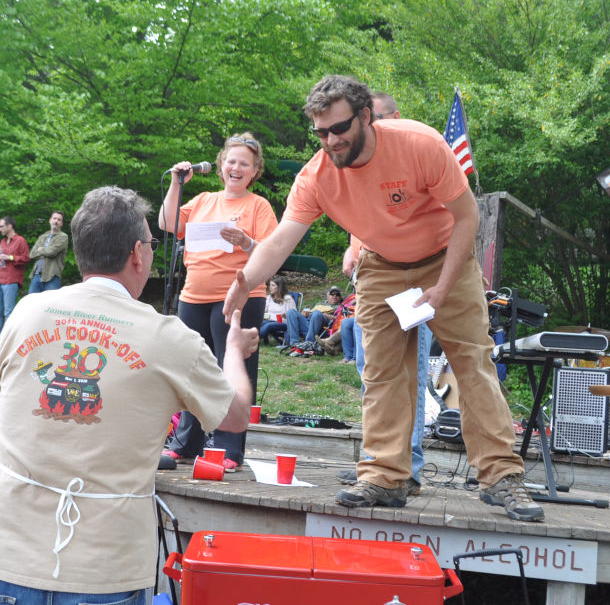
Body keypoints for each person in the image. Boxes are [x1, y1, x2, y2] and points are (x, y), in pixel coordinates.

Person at [0, 186, 257, 605]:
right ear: (137, 253)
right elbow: (235, 418)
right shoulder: (169, 337)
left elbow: (2, 404)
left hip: (4, 559)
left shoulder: (26, 312)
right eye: (151, 244)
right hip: (107, 575)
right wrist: (233, 352)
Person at [224, 75, 542, 522]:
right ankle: (386, 476)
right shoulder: (316, 176)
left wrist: (443, 287)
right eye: (320, 132)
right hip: (380, 265)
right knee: (381, 370)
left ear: (365, 116)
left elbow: (467, 216)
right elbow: (279, 242)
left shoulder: (420, 144)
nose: (330, 141)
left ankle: (501, 476)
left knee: (472, 363)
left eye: (339, 129)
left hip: (445, 256)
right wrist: (244, 281)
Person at [159, 133, 279, 471]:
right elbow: (168, 223)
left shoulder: (258, 206)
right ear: (221, 164)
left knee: (232, 368)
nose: (236, 168)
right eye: (231, 161)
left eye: (244, 164)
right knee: (191, 367)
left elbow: (272, 252)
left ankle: (229, 449)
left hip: (240, 296)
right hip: (194, 295)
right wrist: (176, 183)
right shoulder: (202, 200)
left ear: (255, 171)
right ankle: (187, 442)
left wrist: (246, 241)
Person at [0, 216, 29, 344]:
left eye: (1, 226)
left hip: (11, 279)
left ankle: (8, 338)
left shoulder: (20, 240)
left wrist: (10, 257)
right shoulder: (2, 241)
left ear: (10, 226)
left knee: (9, 311)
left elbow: (25, 258)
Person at [28, 211, 69, 293]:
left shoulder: (63, 237)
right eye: (54, 218)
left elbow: (52, 252)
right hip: (36, 275)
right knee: (31, 301)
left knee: (50, 302)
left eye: (59, 220)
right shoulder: (43, 237)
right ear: (50, 220)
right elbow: (32, 254)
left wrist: (41, 249)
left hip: (52, 276)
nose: (56, 221)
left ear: (61, 223)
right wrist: (46, 250)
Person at [260, 277, 295, 344]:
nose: (270, 287)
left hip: (283, 322)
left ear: (279, 287)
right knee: (259, 324)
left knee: (268, 326)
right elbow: (263, 310)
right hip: (269, 320)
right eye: (270, 285)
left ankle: (251, 340)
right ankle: (249, 338)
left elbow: (293, 314)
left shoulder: (287, 299)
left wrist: (285, 315)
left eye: (273, 285)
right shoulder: (269, 298)